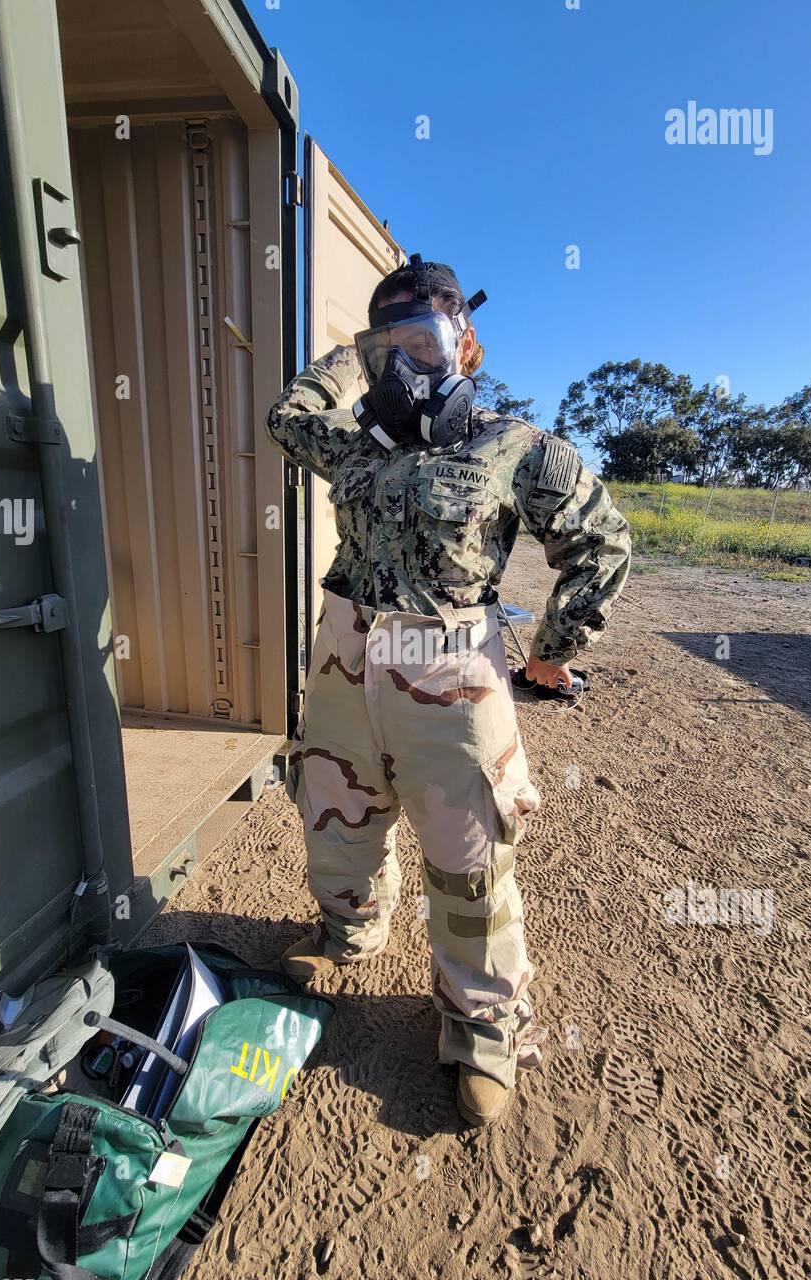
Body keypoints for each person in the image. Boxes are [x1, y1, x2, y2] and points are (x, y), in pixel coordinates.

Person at [266, 256, 630, 1126]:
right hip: (344, 658)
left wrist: (554, 649)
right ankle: (349, 931)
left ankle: (483, 1030)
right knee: (334, 813)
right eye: (384, 343)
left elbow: (602, 543)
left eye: (421, 341)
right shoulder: (355, 445)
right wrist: (359, 358)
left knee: (469, 856)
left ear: (464, 344)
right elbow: (289, 416)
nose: (403, 362)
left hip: (451, 667)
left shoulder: (516, 447)